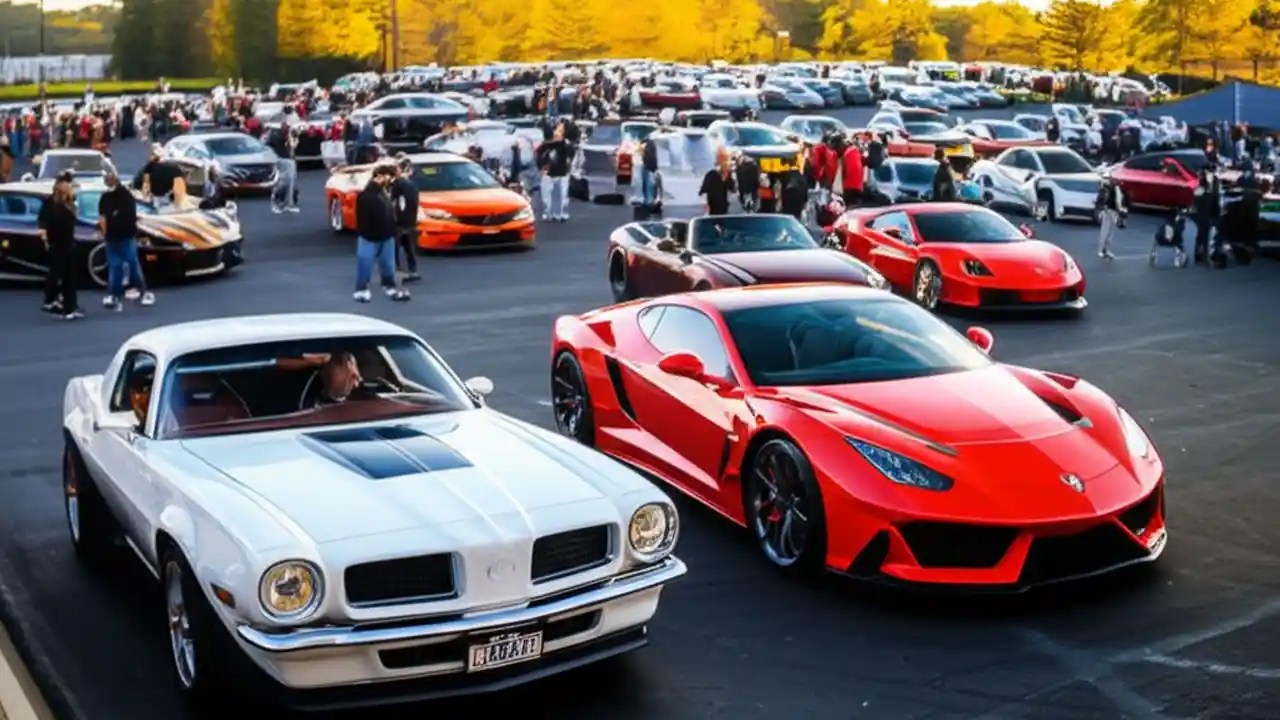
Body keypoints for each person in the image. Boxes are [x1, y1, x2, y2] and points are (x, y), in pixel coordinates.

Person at [354, 164, 410, 303]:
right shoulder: (367, 195)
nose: (390, 181)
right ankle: (361, 290)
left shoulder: (383, 193)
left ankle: (389, 287)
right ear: (379, 176)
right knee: (365, 264)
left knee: (387, 265)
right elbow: (362, 218)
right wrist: (366, 232)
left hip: (386, 236)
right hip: (370, 237)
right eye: (389, 177)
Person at [98, 170, 154, 309]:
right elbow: (103, 218)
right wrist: (107, 233)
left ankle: (142, 292)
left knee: (130, 265)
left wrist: (106, 232)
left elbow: (105, 218)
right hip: (117, 237)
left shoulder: (123, 196)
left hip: (124, 236)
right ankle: (114, 294)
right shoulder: (109, 197)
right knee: (117, 266)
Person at [38, 175, 82, 319]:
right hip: (57, 244)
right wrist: (45, 239)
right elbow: (43, 222)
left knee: (70, 278)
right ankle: (54, 301)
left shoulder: (69, 203)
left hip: (68, 244)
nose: (71, 188)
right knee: (57, 275)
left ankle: (70, 306)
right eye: (68, 185)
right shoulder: (52, 205)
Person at [390, 155, 421, 282]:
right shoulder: (413, 185)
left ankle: (397, 270)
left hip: (400, 221)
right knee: (409, 247)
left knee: (395, 247)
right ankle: (413, 270)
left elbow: (396, 203)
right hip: (410, 220)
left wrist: (395, 219)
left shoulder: (398, 184)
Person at [267, 111, 299, 214]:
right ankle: (276, 204)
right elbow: (274, 145)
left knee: (291, 183)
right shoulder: (276, 134)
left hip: (289, 159)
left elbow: (293, 146)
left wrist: (292, 137)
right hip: (281, 159)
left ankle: (288, 204)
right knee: (281, 182)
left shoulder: (288, 134)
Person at [537, 123, 571, 221]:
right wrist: (541, 167)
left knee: (562, 194)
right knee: (547, 194)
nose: (557, 134)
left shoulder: (565, 145)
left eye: (560, 132)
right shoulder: (545, 145)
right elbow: (539, 156)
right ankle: (548, 213)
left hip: (562, 173)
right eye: (556, 132)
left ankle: (560, 214)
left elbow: (570, 155)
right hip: (548, 173)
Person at [1095, 177, 1126, 261]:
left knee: (1110, 232)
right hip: (1109, 211)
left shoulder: (1116, 189)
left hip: (1113, 212)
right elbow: (1116, 202)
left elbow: (1119, 202)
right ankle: (1101, 250)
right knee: (1105, 231)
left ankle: (1106, 249)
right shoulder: (1110, 189)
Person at [699, 149, 736, 215]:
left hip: (723, 207)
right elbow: (704, 190)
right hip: (712, 207)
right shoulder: (711, 175)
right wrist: (705, 203)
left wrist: (727, 178)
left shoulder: (728, 177)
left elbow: (733, 190)